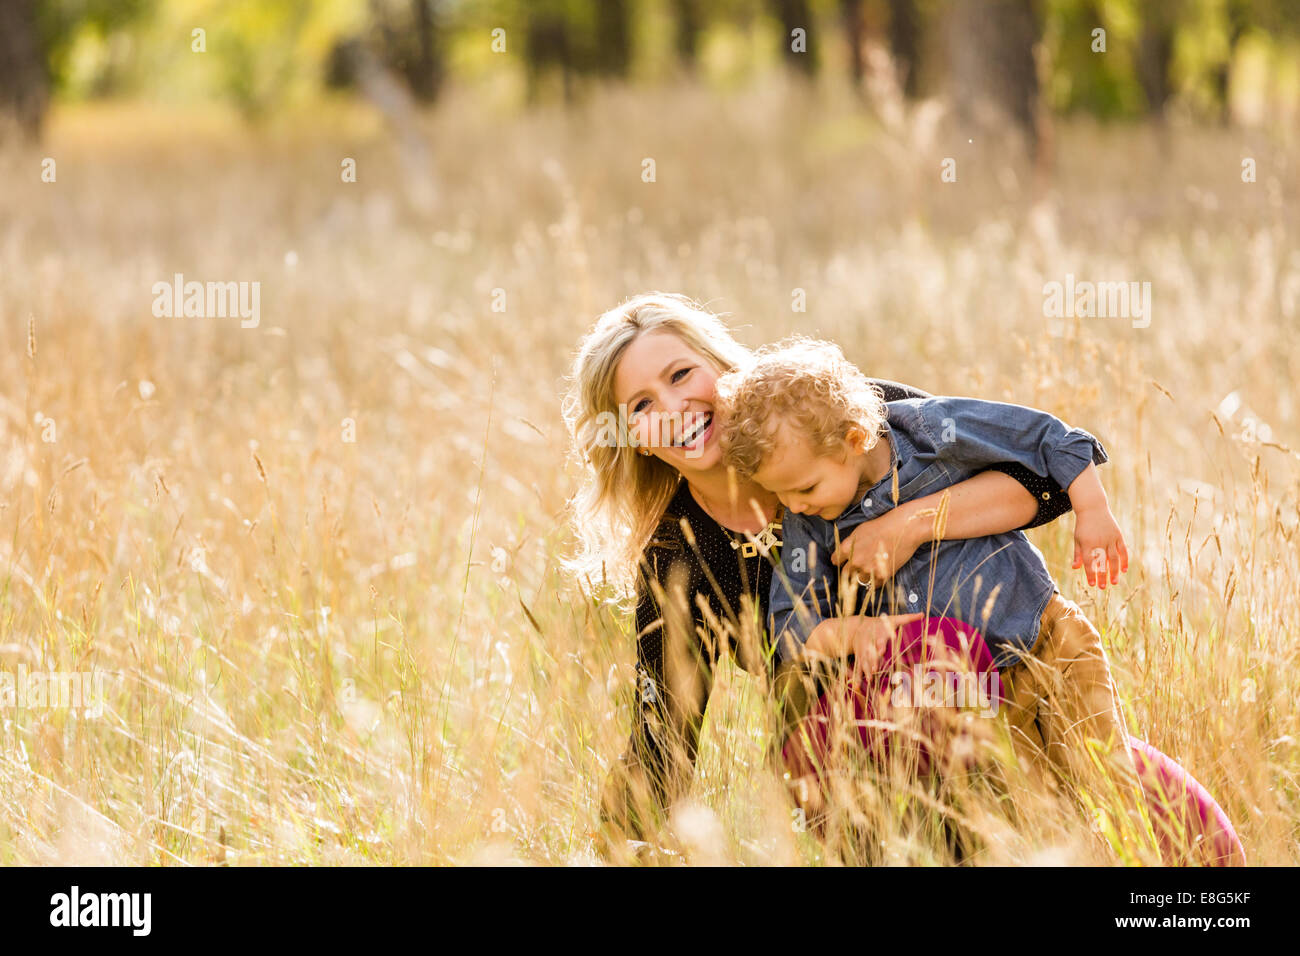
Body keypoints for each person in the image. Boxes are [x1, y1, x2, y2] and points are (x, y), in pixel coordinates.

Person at [562, 293, 1081, 851]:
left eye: (681, 373)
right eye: (640, 406)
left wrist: (906, 525)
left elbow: (1043, 483)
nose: (671, 408)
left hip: (999, 680)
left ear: (721, 365)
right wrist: (611, 850)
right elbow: (662, 734)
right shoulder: (679, 555)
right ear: (630, 437)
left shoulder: (829, 415)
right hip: (850, 774)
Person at [713, 335, 1150, 848]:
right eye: (779, 495)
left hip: (1048, 639)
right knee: (1039, 820)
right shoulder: (809, 525)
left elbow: (1048, 439)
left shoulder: (929, 428)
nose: (793, 506)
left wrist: (1093, 511)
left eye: (804, 488)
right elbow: (791, 630)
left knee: (1110, 783)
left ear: (855, 440)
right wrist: (862, 631)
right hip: (976, 698)